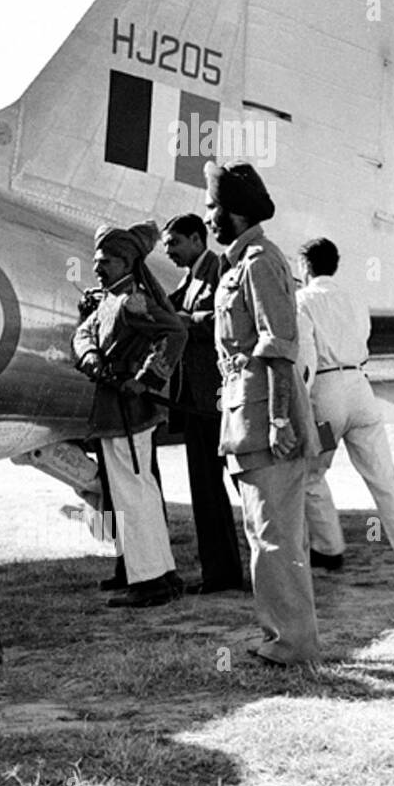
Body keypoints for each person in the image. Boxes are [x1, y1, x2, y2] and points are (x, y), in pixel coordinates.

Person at [205, 161, 321, 666]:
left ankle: (292, 645)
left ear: (232, 211)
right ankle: (282, 637)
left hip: (263, 421)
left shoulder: (258, 262)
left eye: (212, 207)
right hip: (244, 418)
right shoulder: (239, 263)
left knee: (276, 538)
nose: (207, 217)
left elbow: (279, 345)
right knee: (265, 535)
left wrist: (278, 420)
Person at [296, 238, 394, 589]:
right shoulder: (355, 299)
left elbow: (305, 358)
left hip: (326, 398)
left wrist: (300, 405)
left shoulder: (302, 301)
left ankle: (329, 547)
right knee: (385, 478)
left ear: (305, 265)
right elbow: (364, 339)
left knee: (311, 472)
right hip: (361, 391)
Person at [73, 222, 187, 608]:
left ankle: (150, 582)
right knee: (142, 492)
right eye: (96, 260)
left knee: (131, 495)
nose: (98, 267)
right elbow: (85, 335)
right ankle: (161, 572)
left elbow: (175, 332)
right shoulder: (112, 298)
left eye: (107, 261)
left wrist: (148, 377)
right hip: (118, 409)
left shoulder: (131, 301)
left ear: (127, 263)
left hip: (126, 409)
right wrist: (90, 356)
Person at [162, 213, 244, 593]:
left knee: (249, 486)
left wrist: (183, 319)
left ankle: (283, 564)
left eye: (174, 244)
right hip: (195, 402)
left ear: (197, 239)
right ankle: (220, 574)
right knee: (206, 491)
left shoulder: (220, 267)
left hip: (217, 398)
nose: (169, 253)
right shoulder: (188, 278)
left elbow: (227, 317)